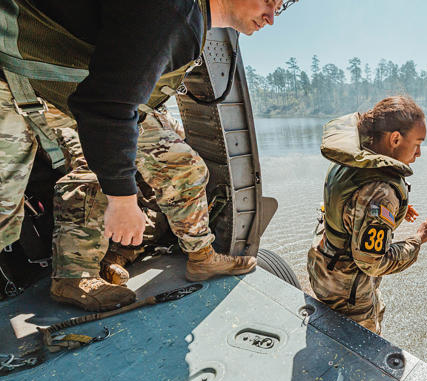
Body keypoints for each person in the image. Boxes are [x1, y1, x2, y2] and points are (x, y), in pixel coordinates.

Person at [0, 0, 284, 310]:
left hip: (69, 92)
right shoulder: (172, 11)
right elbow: (105, 107)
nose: (271, 17)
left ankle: (202, 256)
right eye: (268, 1)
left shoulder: (190, 19)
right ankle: (73, 276)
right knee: (6, 212)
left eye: (279, 8)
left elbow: (119, 95)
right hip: (14, 83)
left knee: (183, 165)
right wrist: (123, 200)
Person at [307, 96, 427, 335]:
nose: (419, 153)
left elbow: (351, 204)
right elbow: (372, 263)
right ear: (395, 139)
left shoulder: (353, 158)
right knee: (361, 346)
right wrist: (418, 239)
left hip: (324, 266)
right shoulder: (380, 192)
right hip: (347, 293)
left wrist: (394, 210)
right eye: (417, 144)